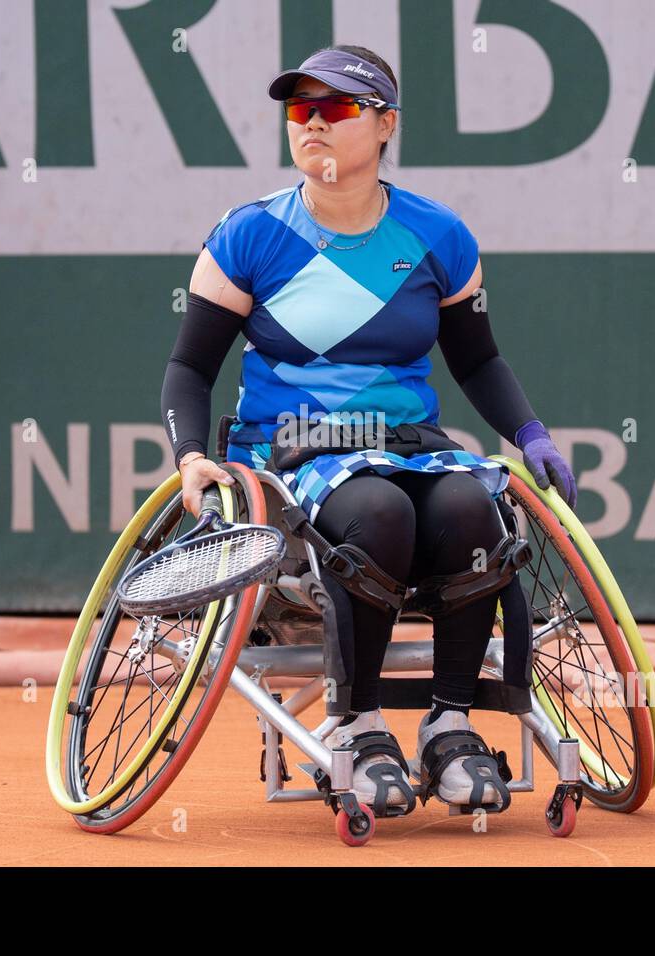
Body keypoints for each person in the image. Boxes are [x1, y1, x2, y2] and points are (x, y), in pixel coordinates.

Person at [161, 45, 577, 817]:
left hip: (406, 447)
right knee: (377, 515)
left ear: (386, 125)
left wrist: (529, 431)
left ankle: (450, 724)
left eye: (339, 107)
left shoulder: (438, 236)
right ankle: (355, 725)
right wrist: (190, 458)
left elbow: (478, 359)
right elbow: (189, 371)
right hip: (292, 455)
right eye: (300, 108)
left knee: (466, 512)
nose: (314, 121)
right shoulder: (249, 235)